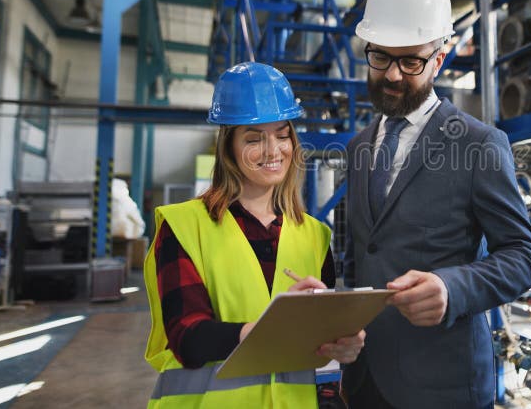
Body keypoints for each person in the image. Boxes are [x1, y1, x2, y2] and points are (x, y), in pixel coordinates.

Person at [342, 0, 531, 409]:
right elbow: (361, 256)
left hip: (441, 385)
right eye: (381, 57)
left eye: (410, 61)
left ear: (439, 57)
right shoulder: (358, 148)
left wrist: (453, 288)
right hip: (363, 380)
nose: (393, 75)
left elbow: (525, 257)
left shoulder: (479, 144)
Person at [144, 62, 365, 408]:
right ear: (228, 146)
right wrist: (272, 326)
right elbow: (188, 337)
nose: (272, 150)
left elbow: (315, 353)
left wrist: (340, 347)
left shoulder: (315, 237)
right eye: (253, 138)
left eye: (282, 134)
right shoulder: (184, 227)